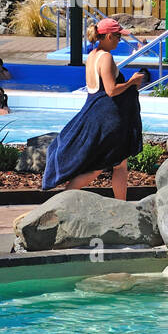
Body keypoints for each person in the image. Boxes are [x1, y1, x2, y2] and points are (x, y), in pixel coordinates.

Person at [42, 18, 146, 200]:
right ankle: (62, 201)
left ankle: (120, 204)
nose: (118, 41)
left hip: (93, 113)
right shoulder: (105, 57)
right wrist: (132, 82)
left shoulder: (92, 55)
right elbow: (111, 90)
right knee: (98, 167)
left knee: (118, 164)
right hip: (108, 118)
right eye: (117, 37)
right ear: (106, 36)